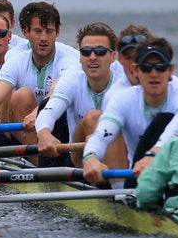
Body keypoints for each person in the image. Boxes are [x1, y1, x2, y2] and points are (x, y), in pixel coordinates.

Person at [82, 38, 178, 186]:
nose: (154, 74)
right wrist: (90, 158)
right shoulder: (122, 99)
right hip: (139, 177)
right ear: (136, 70)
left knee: (164, 119)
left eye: (160, 67)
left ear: (170, 71)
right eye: (146, 68)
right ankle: (120, 195)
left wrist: (154, 154)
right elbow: (102, 136)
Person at [0, 1, 78, 144]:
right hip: (27, 127)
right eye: (37, 31)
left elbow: (57, 90)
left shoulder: (70, 58)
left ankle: (39, 160)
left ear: (57, 32)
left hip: (62, 126)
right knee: (21, 95)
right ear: (26, 32)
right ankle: (37, 160)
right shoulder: (17, 60)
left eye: (49, 31)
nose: (43, 38)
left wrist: (39, 113)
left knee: (23, 97)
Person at [35, 22, 129, 167]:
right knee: (92, 118)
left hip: (115, 152)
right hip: (78, 158)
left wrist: (101, 137)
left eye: (100, 51)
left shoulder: (124, 83)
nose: (92, 57)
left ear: (113, 55)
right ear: (80, 57)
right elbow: (49, 111)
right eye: (86, 52)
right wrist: (44, 134)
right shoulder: (72, 79)